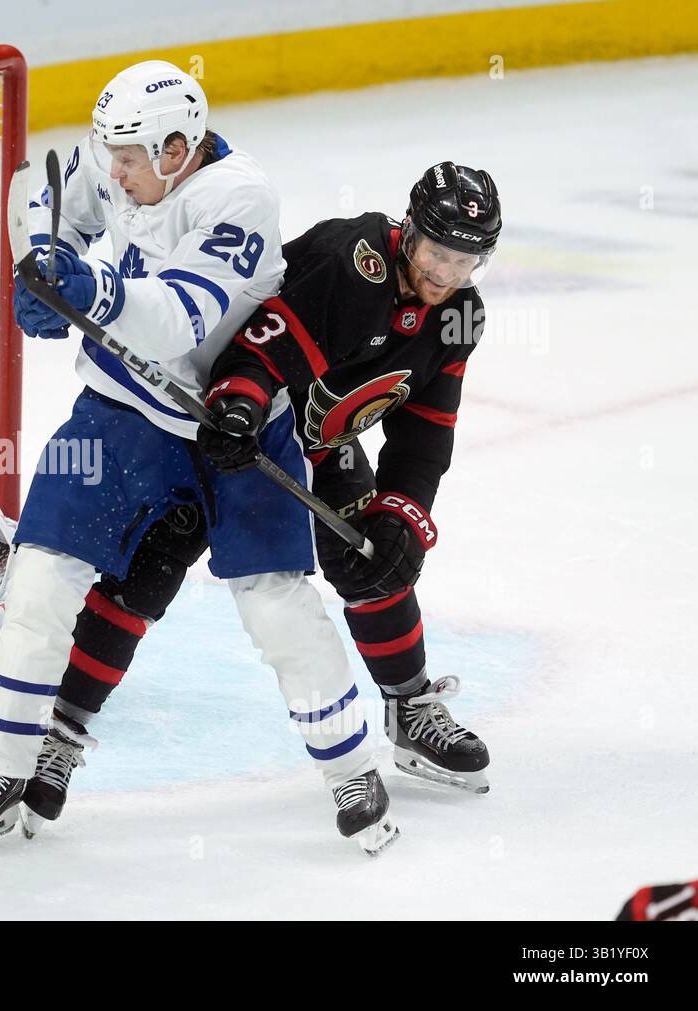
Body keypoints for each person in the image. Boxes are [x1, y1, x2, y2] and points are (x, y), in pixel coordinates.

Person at [0, 61, 396, 856]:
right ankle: (5, 765)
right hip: (120, 414)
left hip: (236, 418)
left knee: (276, 604)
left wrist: (85, 289)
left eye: (129, 157)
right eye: (109, 151)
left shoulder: (240, 197)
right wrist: (50, 257)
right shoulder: (123, 157)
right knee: (43, 576)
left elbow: (180, 317)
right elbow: (51, 196)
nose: (113, 171)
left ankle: (353, 768)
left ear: (179, 147)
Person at [30, 162, 501, 832]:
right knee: (150, 571)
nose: (445, 274)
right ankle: (60, 734)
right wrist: (242, 405)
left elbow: (426, 430)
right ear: (410, 231)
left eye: (465, 261)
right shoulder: (355, 265)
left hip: (310, 437)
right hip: (230, 420)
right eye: (436, 253)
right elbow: (262, 343)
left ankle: (409, 706)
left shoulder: (458, 314)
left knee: (378, 551)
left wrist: (405, 508)